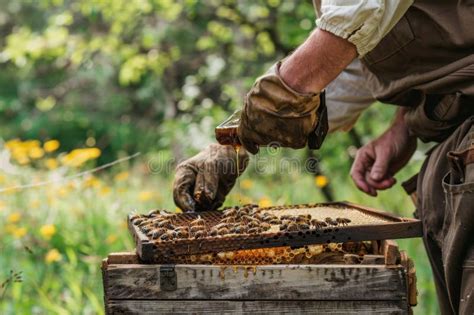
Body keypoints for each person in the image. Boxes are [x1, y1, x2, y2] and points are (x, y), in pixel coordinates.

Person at [173, 1, 474, 314]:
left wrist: (267, 108)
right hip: (454, 148)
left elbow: (355, 17)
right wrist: (404, 128)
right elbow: (357, 57)